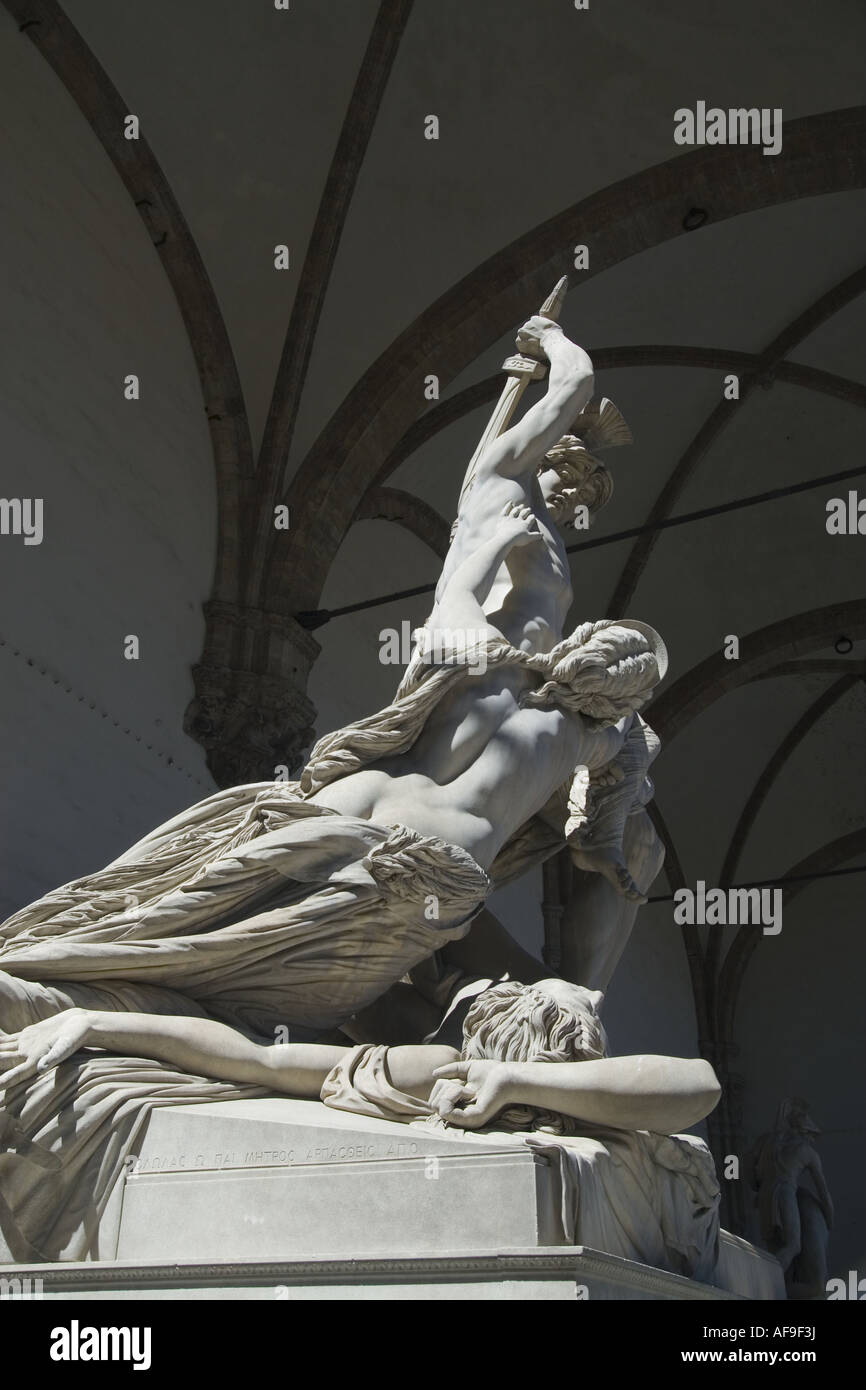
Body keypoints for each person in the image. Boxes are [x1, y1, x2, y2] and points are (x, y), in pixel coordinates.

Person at [0, 319, 664, 1044]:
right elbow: (570, 390)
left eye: (589, 491)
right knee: (195, 957)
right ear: (540, 451)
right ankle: (57, 991)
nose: (579, 496)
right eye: (570, 471)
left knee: (198, 957)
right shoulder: (499, 502)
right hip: (422, 860)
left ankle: (56, 994)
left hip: (400, 841)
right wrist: (554, 343)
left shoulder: (572, 717)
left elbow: (617, 839)